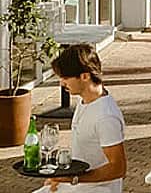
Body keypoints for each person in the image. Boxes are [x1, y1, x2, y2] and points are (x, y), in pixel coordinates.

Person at [38, 44, 126, 193]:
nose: (62, 83)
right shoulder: (85, 101)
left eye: (65, 77)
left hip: (97, 189)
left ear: (85, 76)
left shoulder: (106, 117)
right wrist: (60, 177)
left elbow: (118, 168)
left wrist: (73, 179)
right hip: (77, 186)